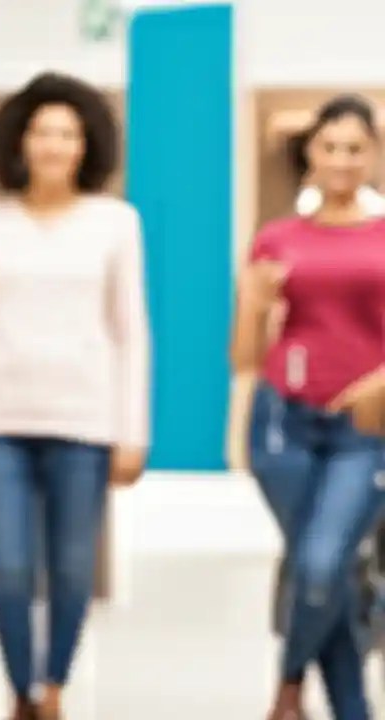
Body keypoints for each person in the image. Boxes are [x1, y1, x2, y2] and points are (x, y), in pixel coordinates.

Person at [0, 72, 150, 720]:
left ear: (88, 146)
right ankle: (21, 690)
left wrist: (131, 431)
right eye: (42, 132)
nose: (54, 145)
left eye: (68, 134)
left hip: (84, 422)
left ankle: (54, 684)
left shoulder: (116, 222)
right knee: (7, 568)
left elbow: (130, 332)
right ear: (20, 142)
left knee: (74, 570)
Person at [234, 94, 385, 720]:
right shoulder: (276, 238)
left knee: (324, 564)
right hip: (282, 424)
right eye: (330, 147)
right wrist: (251, 301)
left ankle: (289, 683)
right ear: (310, 156)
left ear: (374, 156)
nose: (343, 160)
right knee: (323, 571)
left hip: (364, 430)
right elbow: (244, 355)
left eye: (356, 148)